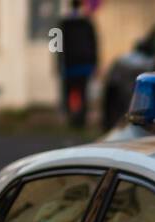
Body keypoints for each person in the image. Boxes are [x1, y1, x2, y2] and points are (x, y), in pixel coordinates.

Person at [57, 0, 98, 129]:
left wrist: (58, 63)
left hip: (68, 64)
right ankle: (81, 119)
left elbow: (56, 46)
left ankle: (71, 117)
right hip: (84, 65)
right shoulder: (88, 23)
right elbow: (94, 44)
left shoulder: (62, 23)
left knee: (68, 91)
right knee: (83, 91)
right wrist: (95, 63)